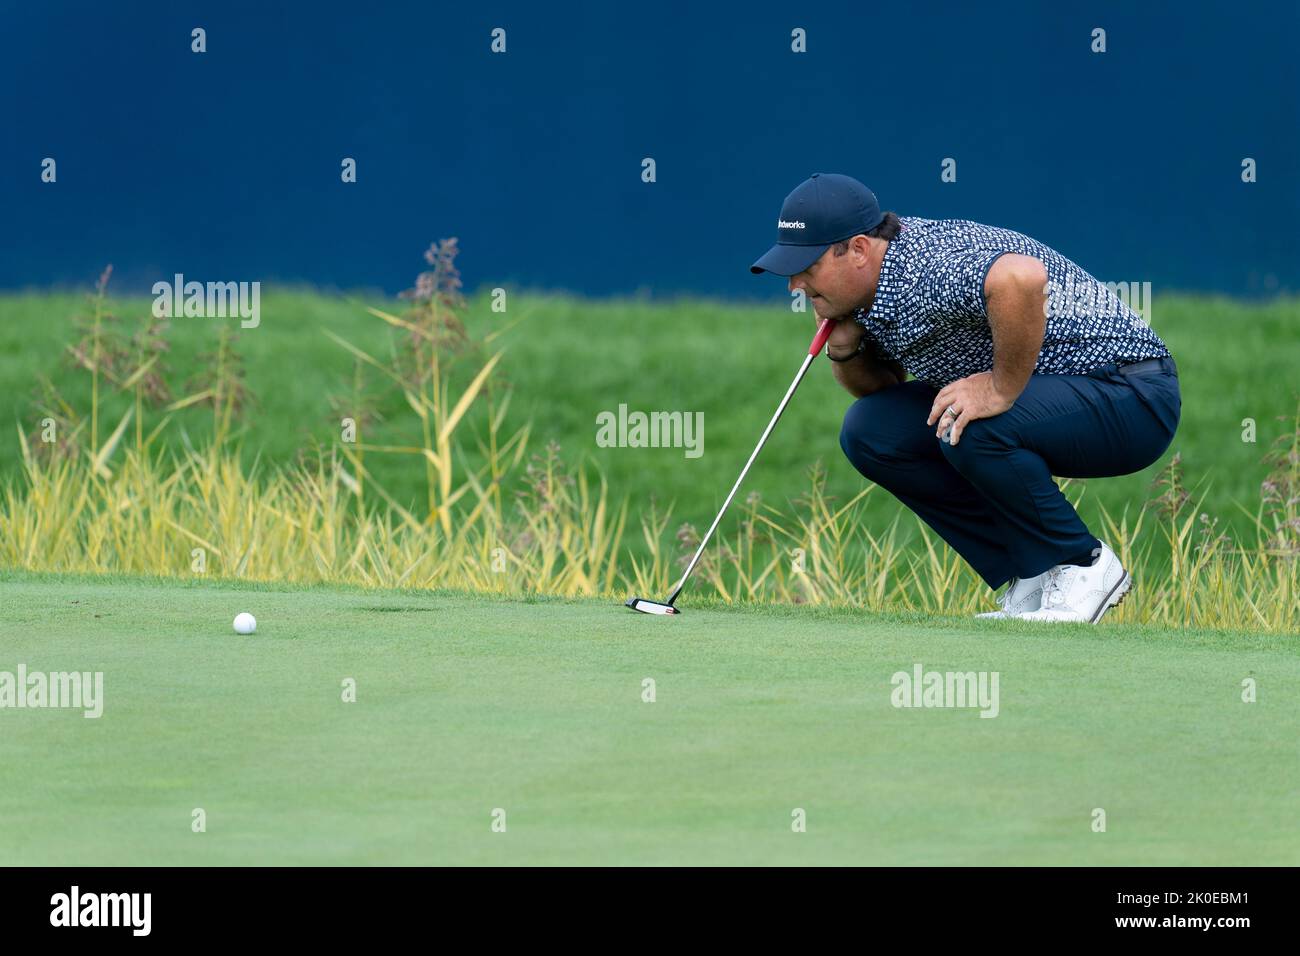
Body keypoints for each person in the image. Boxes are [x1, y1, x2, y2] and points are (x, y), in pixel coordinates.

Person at [751, 173, 1180, 623]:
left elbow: (1020, 278)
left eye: (809, 267)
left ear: (858, 249)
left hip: (1131, 396)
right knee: (872, 431)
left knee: (971, 419)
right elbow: (883, 395)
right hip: (1061, 403)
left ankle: (1082, 565)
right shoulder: (866, 288)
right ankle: (1033, 573)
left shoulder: (925, 267)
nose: (795, 284)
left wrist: (999, 387)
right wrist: (846, 348)